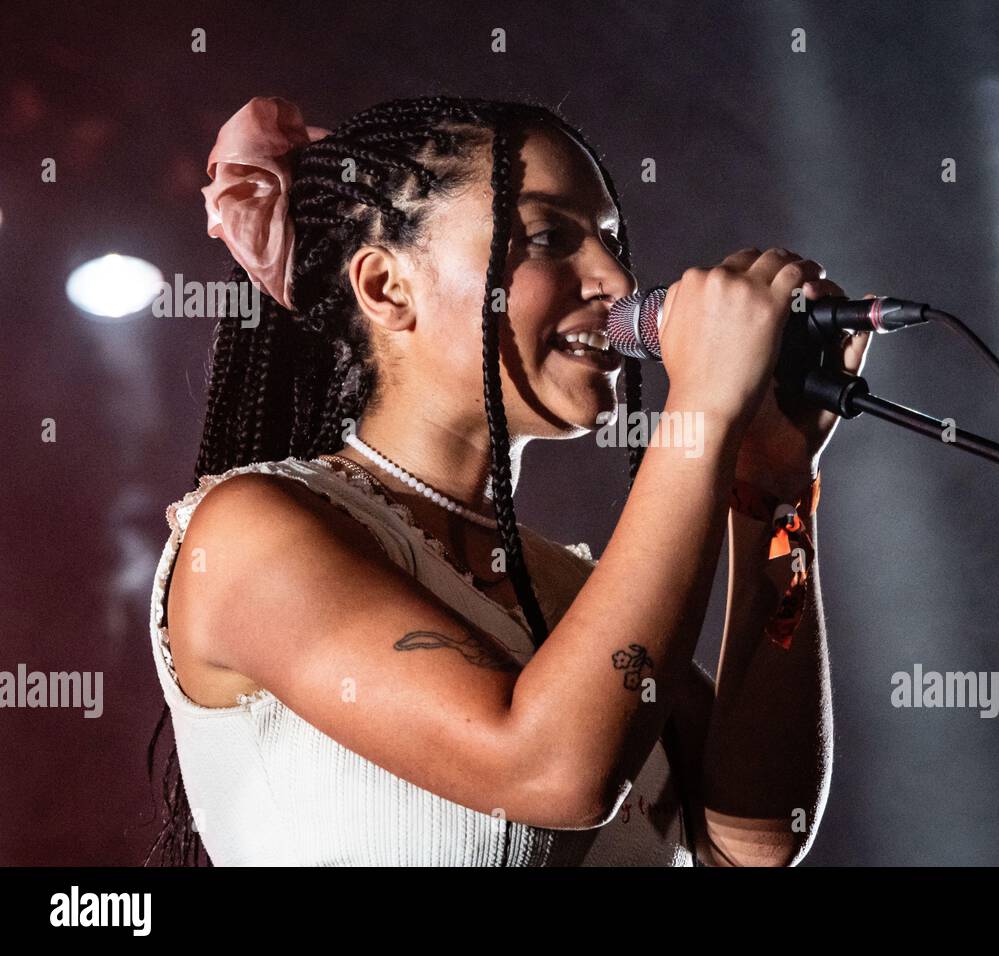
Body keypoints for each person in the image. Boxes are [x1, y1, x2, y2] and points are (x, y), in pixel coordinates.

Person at [145, 93, 870, 866]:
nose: (616, 279)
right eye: (550, 237)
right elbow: (552, 770)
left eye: (612, 241)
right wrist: (702, 408)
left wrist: (773, 485)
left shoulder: (579, 587)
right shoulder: (249, 533)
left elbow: (753, 839)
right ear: (386, 287)